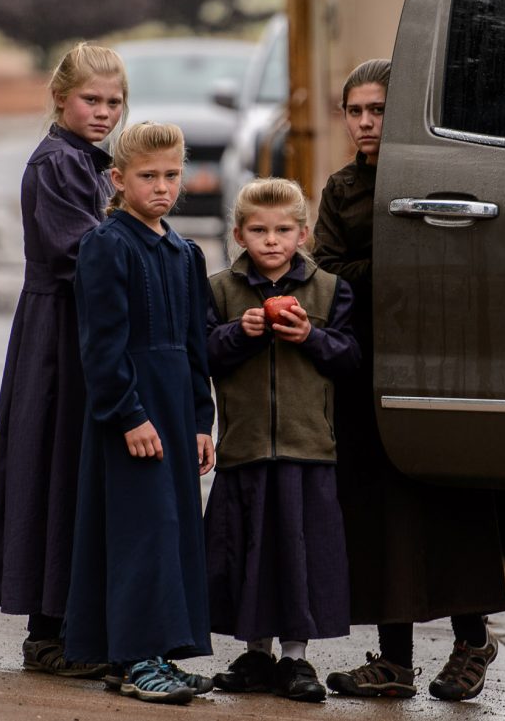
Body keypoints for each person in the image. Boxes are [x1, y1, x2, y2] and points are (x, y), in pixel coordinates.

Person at [314, 60, 505, 701]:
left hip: (440, 360)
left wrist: (389, 268)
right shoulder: (341, 189)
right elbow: (329, 272)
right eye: (355, 111)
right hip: (366, 364)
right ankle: (394, 660)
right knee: (377, 510)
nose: (366, 123)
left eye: (378, 110)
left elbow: (467, 261)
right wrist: (401, 263)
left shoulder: (440, 177)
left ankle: (473, 639)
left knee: (450, 500)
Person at [0, 42, 126, 677]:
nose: (103, 112)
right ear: (60, 99)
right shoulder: (56, 163)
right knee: (54, 464)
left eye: (114, 102)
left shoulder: (95, 163)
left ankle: (73, 622)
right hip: (58, 330)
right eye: (91, 100)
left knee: (77, 467)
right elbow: (80, 254)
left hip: (85, 324)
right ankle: (47, 634)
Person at [63, 122, 215, 705]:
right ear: (118, 179)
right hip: (132, 412)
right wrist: (127, 414)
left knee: (172, 528)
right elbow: (100, 346)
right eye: (147, 176)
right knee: (139, 531)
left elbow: (196, 347)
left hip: (176, 412)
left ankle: (156, 654)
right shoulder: (108, 245)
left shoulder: (184, 252)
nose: (162, 187)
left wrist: (202, 422)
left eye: (171, 175)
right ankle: (134, 659)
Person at [205, 178, 360, 703]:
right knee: (249, 553)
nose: (271, 240)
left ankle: (295, 658)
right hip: (244, 447)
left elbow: (349, 357)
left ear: (304, 234)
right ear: (239, 235)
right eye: (258, 230)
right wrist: (237, 333)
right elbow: (203, 353)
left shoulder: (330, 289)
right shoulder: (221, 289)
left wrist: (310, 336)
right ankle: (256, 653)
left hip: (307, 447)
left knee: (298, 554)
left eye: (283, 230)